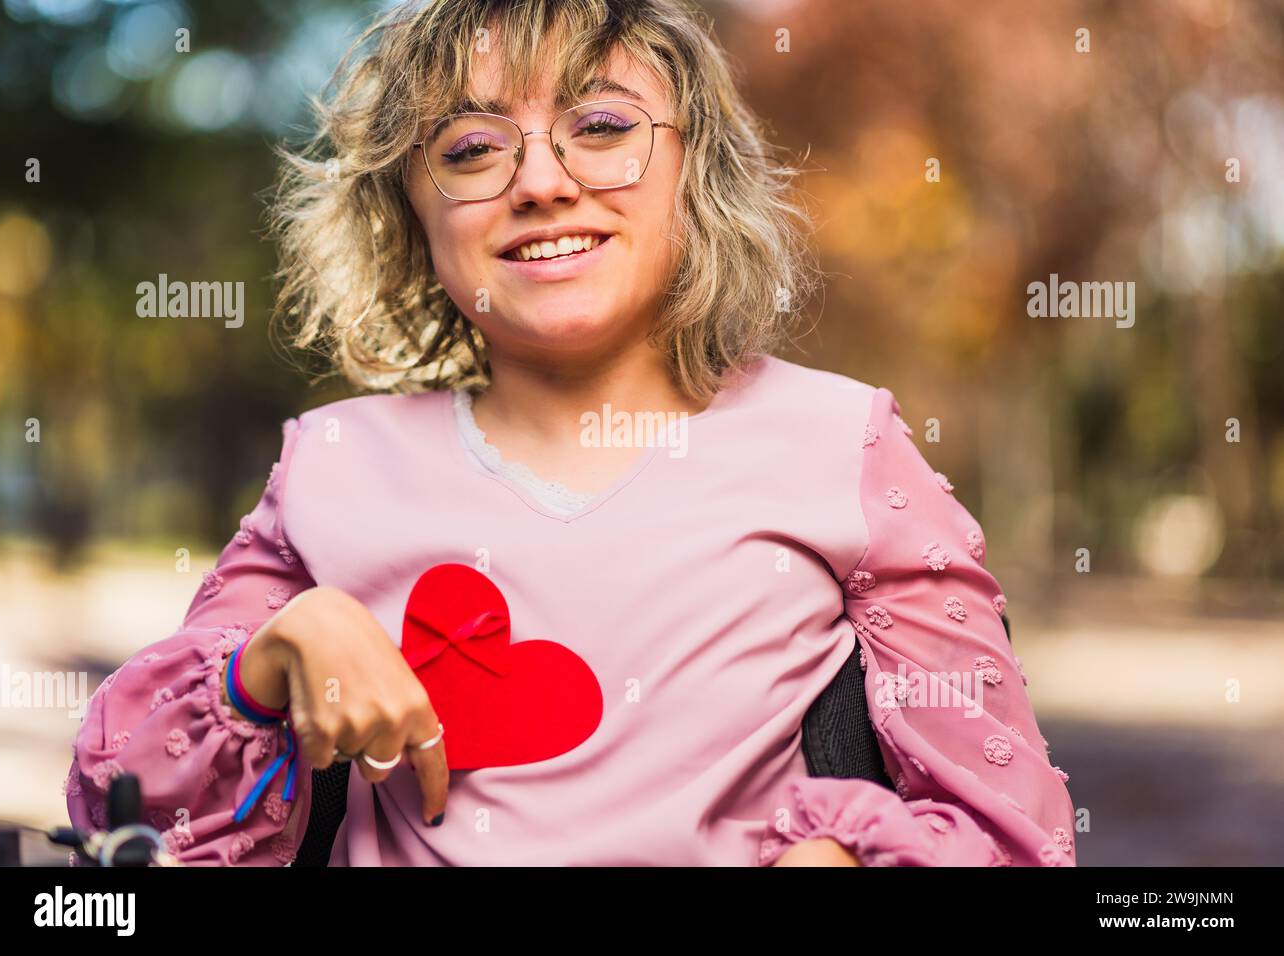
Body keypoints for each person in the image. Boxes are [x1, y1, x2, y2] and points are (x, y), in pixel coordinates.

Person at [65, 0, 1076, 867]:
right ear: (409, 215)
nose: (540, 181)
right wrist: (260, 664)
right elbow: (124, 814)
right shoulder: (333, 467)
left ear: (697, 171)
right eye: (470, 148)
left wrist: (849, 853)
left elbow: (1012, 829)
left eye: (600, 125)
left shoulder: (838, 443)